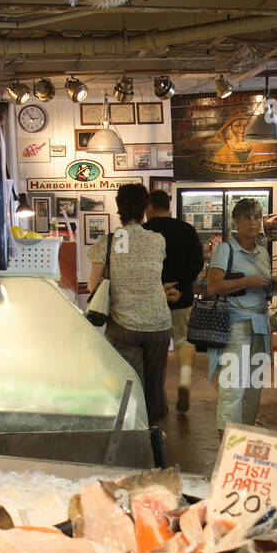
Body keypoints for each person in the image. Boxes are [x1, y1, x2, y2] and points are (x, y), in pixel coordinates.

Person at [87, 183, 175, 426]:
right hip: (159, 323)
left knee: (130, 384)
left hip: (124, 325)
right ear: (146, 207)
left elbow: (93, 285)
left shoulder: (106, 243)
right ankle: (157, 435)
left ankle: (135, 436)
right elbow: (150, 276)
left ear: (118, 208)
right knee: (155, 386)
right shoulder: (157, 240)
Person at [206, 198, 277, 430]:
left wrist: (271, 285)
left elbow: (261, 289)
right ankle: (225, 451)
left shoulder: (262, 253)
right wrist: (249, 281)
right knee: (232, 388)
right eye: (247, 218)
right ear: (236, 221)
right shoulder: (225, 250)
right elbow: (213, 286)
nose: (253, 222)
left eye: (257, 217)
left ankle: (242, 445)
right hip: (236, 325)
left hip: (260, 326)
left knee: (253, 391)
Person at [144, 189, 205, 413]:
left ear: (149, 207)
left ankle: (157, 395)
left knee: (154, 347)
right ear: (168, 206)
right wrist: (180, 286)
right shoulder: (186, 229)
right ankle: (185, 380)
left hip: (151, 298)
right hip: (183, 297)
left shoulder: (144, 231)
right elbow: (198, 261)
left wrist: (159, 288)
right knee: (184, 341)